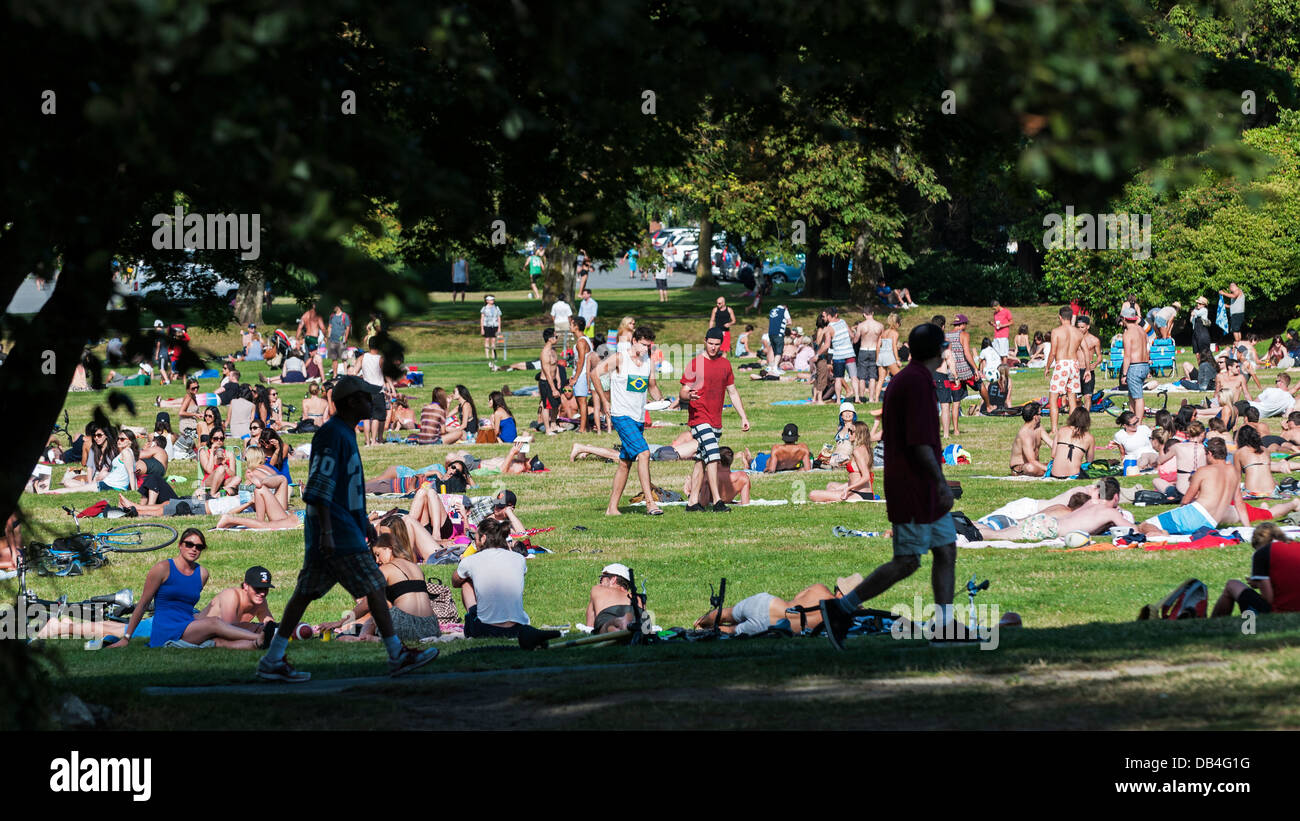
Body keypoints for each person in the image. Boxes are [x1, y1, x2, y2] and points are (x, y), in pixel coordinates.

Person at [256, 375, 440, 682]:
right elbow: (317, 488)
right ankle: (397, 654)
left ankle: (273, 658)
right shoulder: (332, 435)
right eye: (367, 397)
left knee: (303, 593)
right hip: (336, 533)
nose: (372, 402)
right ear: (353, 402)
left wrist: (363, 521)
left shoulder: (344, 433)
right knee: (374, 584)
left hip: (341, 528)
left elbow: (345, 488)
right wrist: (329, 532)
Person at [820, 322, 967, 650]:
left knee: (945, 549)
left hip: (919, 485)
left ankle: (944, 625)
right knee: (907, 560)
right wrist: (940, 483)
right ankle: (841, 609)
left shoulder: (913, 380)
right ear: (938, 350)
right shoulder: (915, 383)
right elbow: (919, 444)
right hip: (914, 487)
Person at [111, 529, 268, 650]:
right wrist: (126, 637)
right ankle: (260, 637)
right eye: (189, 544)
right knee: (214, 623)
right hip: (166, 629)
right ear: (180, 545)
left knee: (218, 642)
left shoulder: (202, 574)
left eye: (199, 547)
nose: (194, 549)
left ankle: (257, 644)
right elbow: (143, 604)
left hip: (188, 625)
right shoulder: (162, 568)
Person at [1139, 438, 1299, 536]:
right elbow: (1239, 503)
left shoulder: (1204, 471)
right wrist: (1247, 528)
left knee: (1144, 525)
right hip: (1210, 522)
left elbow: (1187, 500)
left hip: (1195, 514)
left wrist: (1180, 512)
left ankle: (1161, 536)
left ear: (1210, 454)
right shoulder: (1233, 472)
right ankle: (1165, 533)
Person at [453, 518, 558, 648]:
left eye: (476, 538)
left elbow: (455, 581)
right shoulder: (519, 559)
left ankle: (475, 618)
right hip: (518, 628)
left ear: (484, 538)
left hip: (484, 629)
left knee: (466, 582)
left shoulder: (471, 561)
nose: (474, 541)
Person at [594, 326, 665, 516]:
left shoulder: (648, 360)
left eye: (648, 346)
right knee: (644, 453)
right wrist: (604, 400)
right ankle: (650, 502)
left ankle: (612, 508)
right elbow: (595, 373)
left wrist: (662, 400)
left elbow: (652, 386)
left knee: (625, 462)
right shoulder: (620, 358)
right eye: (643, 345)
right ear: (634, 341)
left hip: (638, 417)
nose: (645, 349)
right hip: (621, 415)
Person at [680, 327, 751, 512]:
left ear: (721, 344)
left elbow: (733, 392)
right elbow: (682, 392)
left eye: (716, 344)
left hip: (716, 420)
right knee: (713, 455)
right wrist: (689, 397)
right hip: (698, 417)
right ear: (705, 341)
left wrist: (743, 416)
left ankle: (692, 502)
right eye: (710, 343)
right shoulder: (695, 363)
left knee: (701, 460)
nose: (713, 347)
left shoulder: (725, 365)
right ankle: (718, 501)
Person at [1212, 523, 1300, 617]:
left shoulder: (1263, 553)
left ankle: (1213, 625)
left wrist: (1258, 583)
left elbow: (1268, 599)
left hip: (1282, 611)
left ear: (1258, 543)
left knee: (1232, 584)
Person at [696, 582, 843, 635]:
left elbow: (797, 599)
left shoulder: (820, 589)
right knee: (730, 631)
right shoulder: (838, 621)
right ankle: (700, 632)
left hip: (769, 605)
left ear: (839, 592)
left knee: (726, 613)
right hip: (773, 627)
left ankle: (700, 622)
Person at [808, 424, 875, 503]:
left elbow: (866, 476)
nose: (848, 434)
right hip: (859, 490)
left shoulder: (857, 451)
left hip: (860, 494)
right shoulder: (864, 448)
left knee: (813, 494)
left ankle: (833, 499)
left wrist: (848, 489)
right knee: (830, 485)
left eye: (851, 432)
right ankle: (832, 499)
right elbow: (856, 466)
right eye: (848, 431)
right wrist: (832, 462)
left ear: (859, 434)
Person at [1044, 305, 1083, 433]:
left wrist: (1047, 367)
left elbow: (1053, 352)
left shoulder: (1056, 331)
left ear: (1060, 317)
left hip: (1062, 364)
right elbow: (1085, 349)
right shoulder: (1078, 332)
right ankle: (1072, 428)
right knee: (1072, 399)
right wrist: (1087, 367)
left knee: (1053, 398)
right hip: (1074, 364)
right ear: (1072, 317)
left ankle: (1054, 429)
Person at [198, 566, 278, 628]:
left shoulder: (260, 601)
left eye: (265, 589)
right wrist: (256, 629)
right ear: (246, 586)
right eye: (258, 589)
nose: (262, 593)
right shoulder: (231, 596)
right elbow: (229, 629)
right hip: (194, 625)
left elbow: (270, 625)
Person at [584, 563, 645, 634]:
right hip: (636, 613)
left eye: (602, 578)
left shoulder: (598, 589)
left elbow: (590, 626)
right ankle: (626, 624)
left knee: (606, 626)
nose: (600, 582)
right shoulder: (638, 598)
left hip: (609, 613)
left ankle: (619, 623)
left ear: (613, 579)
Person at [683, 446, 751, 505]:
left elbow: (703, 502)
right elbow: (745, 503)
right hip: (728, 499)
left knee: (691, 483)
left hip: (711, 500)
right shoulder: (743, 477)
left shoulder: (707, 476)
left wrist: (688, 493)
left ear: (718, 461)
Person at [1120, 305, 1151, 421]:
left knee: (1138, 397)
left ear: (1124, 318)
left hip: (1135, 366)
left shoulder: (1128, 333)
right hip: (1144, 364)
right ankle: (1132, 419)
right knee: (1132, 395)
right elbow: (1148, 348)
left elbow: (1127, 355)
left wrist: (1124, 374)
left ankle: (1138, 423)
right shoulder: (1142, 330)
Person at [1048, 407, 1095, 479]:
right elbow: (1089, 461)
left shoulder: (1061, 430)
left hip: (1055, 474)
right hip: (1074, 475)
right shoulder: (1090, 438)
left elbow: (1053, 454)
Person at [825, 306, 859, 403]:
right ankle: (856, 397)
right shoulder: (843, 322)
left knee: (838, 378)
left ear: (828, 316)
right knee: (853, 377)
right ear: (836, 314)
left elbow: (828, 343)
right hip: (849, 353)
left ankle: (839, 400)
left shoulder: (829, 328)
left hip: (838, 355)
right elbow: (852, 335)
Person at [537, 327, 565, 435]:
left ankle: (553, 425)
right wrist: (553, 388)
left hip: (553, 381)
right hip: (546, 382)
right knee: (546, 405)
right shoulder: (545, 353)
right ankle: (548, 429)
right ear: (550, 338)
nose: (557, 338)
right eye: (556, 336)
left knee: (556, 404)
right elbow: (547, 372)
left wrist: (558, 379)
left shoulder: (553, 351)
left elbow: (556, 366)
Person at [853, 306, 884, 402]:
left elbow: (855, 340)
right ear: (873, 313)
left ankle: (862, 397)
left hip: (863, 349)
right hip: (874, 350)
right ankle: (871, 399)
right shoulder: (880, 325)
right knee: (872, 376)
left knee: (861, 376)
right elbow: (881, 341)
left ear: (864, 314)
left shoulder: (861, 325)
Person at [1009, 403, 1049, 476]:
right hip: (1021, 468)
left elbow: (1052, 444)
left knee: (1060, 463)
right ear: (1035, 417)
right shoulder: (1025, 434)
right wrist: (1049, 469)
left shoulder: (1039, 428)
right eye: (1040, 414)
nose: (1041, 416)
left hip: (1036, 465)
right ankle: (1049, 472)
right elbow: (1031, 460)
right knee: (1030, 468)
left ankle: (1047, 471)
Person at [1074, 315, 1101, 400]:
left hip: (1088, 369)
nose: (1080, 329)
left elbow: (1099, 356)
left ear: (1088, 327)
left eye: (1082, 327)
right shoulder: (1074, 339)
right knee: (1077, 398)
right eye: (1078, 327)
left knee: (1088, 396)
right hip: (1076, 369)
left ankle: (1087, 413)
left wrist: (1096, 363)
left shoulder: (1094, 340)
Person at [766, 303, 792, 377]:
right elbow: (790, 322)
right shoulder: (784, 310)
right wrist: (784, 324)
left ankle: (773, 366)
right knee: (779, 351)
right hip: (779, 333)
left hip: (770, 333)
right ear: (786, 307)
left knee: (775, 350)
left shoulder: (772, 310)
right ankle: (775, 368)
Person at [477, 294, 502, 363]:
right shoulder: (484, 308)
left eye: (493, 299)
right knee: (487, 340)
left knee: (493, 340)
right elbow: (482, 319)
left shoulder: (496, 308)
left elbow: (499, 318)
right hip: (486, 326)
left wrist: (499, 328)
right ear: (487, 301)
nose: (492, 301)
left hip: (494, 326)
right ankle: (487, 355)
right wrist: (482, 328)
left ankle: (493, 355)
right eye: (491, 300)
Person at [878, 313, 901, 379]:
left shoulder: (884, 332)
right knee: (900, 377)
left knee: (881, 380)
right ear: (897, 323)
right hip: (889, 357)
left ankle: (878, 389)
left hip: (881, 356)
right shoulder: (895, 333)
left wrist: (877, 358)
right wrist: (897, 360)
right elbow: (894, 347)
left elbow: (878, 346)